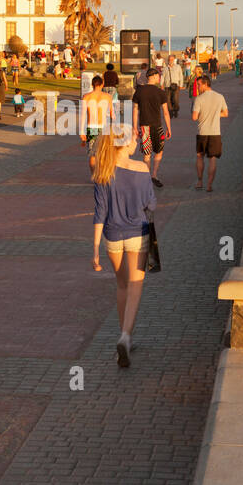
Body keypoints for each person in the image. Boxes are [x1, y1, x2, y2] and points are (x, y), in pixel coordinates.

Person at [92, 125, 156, 368]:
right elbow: (151, 205)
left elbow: (99, 214)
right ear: (126, 144)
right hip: (137, 233)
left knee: (120, 285)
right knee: (135, 285)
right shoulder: (141, 169)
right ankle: (126, 335)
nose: (137, 142)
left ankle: (123, 334)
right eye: (133, 138)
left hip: (111, 236)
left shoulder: (103, 171)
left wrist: (95, 249)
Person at [132, 66, 171, 187]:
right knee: (159, 151)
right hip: (157, 126)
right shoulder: (161, 92)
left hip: (144, 127)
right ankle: (154, 174)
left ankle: (148, 176)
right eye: (158, 76)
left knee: (147, 154)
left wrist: (135, 128)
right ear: (153, 76)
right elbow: (165, 112)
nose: (159, 78)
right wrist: (169, 128)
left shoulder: (139, 91)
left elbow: (135, 110)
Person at [192, 75, 229, 192]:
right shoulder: (220, 96)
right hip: (215, 133)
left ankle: (199, 181)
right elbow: (226, 113)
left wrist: (203, 115)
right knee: (212, 158)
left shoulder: (199, 99)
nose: (197, 87)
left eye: (198, 85)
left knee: (199, 156)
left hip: (202, 132)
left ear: (204, 84)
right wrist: (215, 114)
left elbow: (194, 117)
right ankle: (209, 185)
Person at [80, 74, 112, 176]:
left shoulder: (86, 97)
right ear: (102, 84)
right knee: (104, 153)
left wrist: (81, 132)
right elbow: (112, 115)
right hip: (104, 128)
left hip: (92, 128)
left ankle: (94, 176)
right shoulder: (107, 97)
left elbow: (83, 115)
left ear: (92, 84)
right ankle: (103, 175)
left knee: (92, 154)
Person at [166, 54, 183, 118]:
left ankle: (175, 110)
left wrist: (181, 85)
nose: (170, 61)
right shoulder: (165, 68)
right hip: (167, 86)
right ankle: (170, 112)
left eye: (172, 59)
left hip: (176, 86)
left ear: (174, 60)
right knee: (168, 100)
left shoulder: (178, 67)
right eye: (169, 60)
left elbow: (181, 76)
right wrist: (161, 84)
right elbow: (163, 76)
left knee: (175, 99)